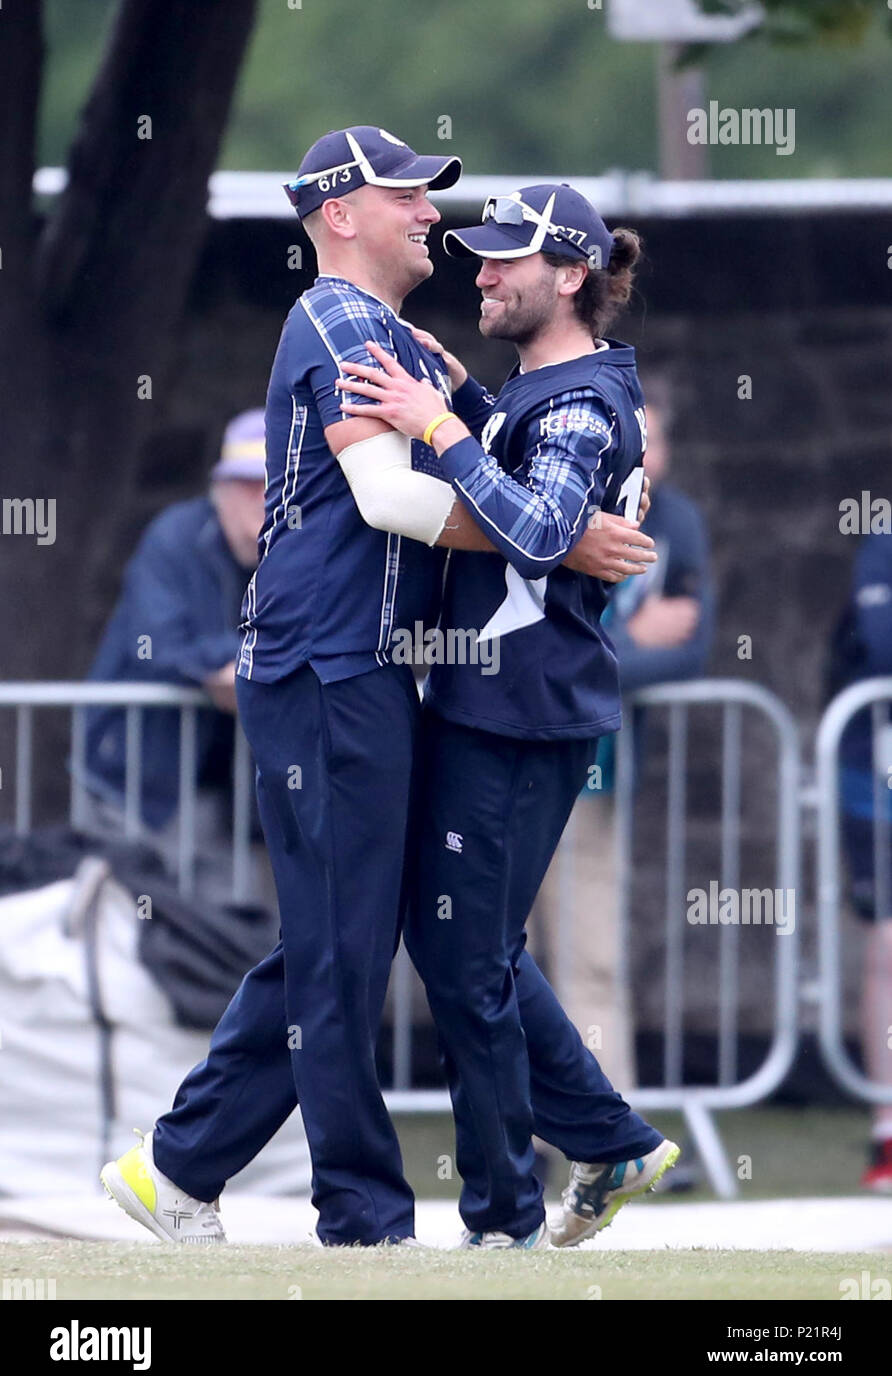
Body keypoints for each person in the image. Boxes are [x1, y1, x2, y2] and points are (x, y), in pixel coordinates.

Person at [98, 131, 639, 1248]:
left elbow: (450, 483)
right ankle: (358, 1216)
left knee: (346, 939)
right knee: (343, 947)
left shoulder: (387, 331)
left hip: (364, 670)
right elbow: (390, 502)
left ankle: (181, 1165)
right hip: (324, 664)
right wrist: (554, 543)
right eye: (411, 195)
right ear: (341, 212)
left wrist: (486, 452)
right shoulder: (339, 318)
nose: (433, 215)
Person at [338, 182, 679, 1247]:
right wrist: (464, 403)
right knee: (465, 954)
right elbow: (528, 478)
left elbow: (535, 528)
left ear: (570, 275)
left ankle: (505, 1219)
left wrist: (436, 421)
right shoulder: (551, 388)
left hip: (521, 713)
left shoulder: (579, 398)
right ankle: (609, 1142)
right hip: (502, 702)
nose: (477, 271)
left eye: (504, 261)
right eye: (476, 255)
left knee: (470, 964)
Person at [530, 376, 714, 1096]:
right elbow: (533, 647)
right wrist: (624, 639)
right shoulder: (557, 503)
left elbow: (693, 649)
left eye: (658, 438)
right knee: (506, 954)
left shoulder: (679, 522)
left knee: (590, 955)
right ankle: (519, 1135)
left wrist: (600, 649)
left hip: (596, 772)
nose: (648, 452)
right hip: (513, 754)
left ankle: (602, 1140)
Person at [82, 409, 267, 900]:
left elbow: (309, 635)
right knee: (123, 928)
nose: (266, 503)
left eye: (276, 488)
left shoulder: (285, 552)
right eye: (251, 488)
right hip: (134, 782)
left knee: (218, 940)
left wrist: (239, 665)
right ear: (224, 491)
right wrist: (241, 662)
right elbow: (158, 645)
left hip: (223, 796)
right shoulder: (174, 536)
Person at [830, 531, 892, 1191]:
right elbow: (880, 644)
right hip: (874, 775)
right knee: (888, 944)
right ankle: (888, 1132)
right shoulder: (882, 546)